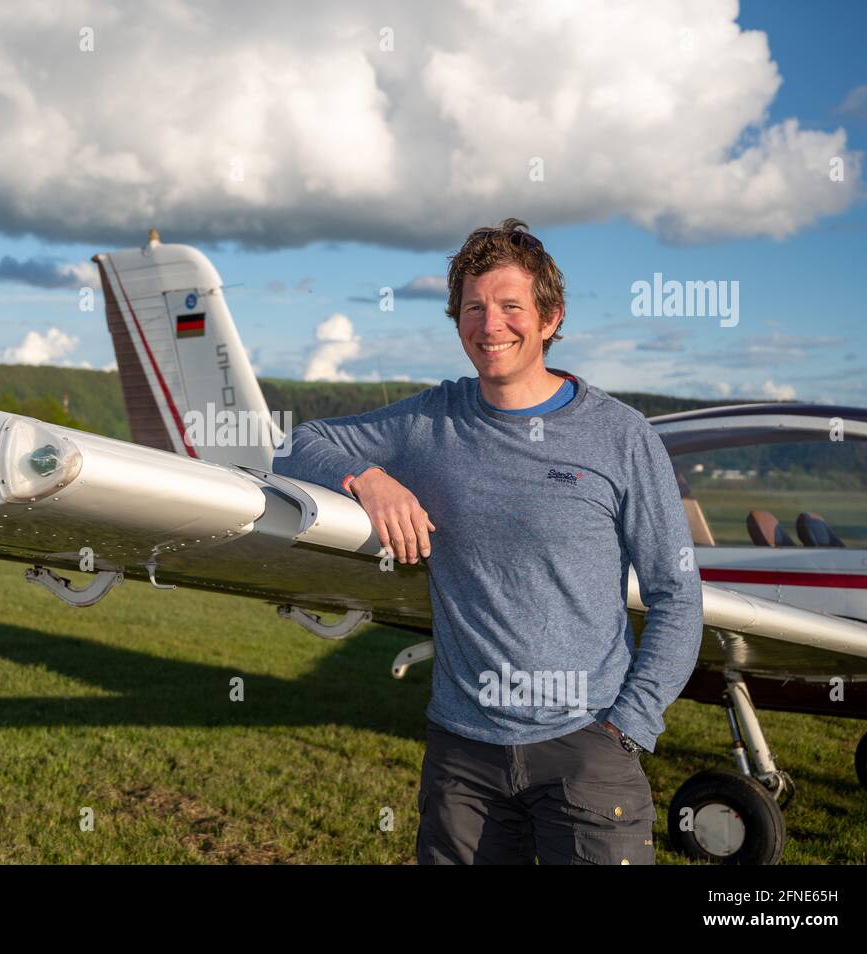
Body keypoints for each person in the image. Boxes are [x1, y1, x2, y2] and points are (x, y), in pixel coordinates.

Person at [271, 218, 703, 864]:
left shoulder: (620, 435)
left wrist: (626, 728)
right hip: (463, 756)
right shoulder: (429, 422)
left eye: (510, 307)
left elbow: (677, 594)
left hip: (586, 749)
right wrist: (369, 479)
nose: (490, 325)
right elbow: (295, 445)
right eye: (473, 308)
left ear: (551, 318)